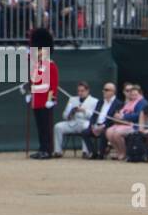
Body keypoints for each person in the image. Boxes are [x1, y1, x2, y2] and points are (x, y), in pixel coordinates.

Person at [26, 27, 58, 159]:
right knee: (40, 127)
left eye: (39, 51)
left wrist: (51, 99)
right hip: (37, 100)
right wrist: (29, 93)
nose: (37, 53)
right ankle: (42, 148)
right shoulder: (37, 66)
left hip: (46, 100)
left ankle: (48, 150)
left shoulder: (51, 65)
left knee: (46, 127)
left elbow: (53, 85)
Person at [52, 80, 96, 158]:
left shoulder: (94, 101)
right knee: (58, 126)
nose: (80, 93)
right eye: (78, 91)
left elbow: (94, 116)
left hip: (85, 123)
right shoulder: (72, 99)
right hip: (73, 122)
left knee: (86, 127)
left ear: (87, 90)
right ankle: (57, 151)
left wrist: (83, 110)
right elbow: (64, 115)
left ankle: (85, 152)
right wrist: (71, 114)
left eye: (82, 91)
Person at [84, 81, 121, 159]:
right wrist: (92, 125)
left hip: (107, 126)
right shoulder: (100, 102)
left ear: (113, 92)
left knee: (104, 132)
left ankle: (101, 153)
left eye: (106, 90)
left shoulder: (118, 103)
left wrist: (103, 126)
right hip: (96, 125)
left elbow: (114, 119)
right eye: (103, 89)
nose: (104, 91)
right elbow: (94, 115)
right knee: (85, 132)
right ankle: (93, 153)